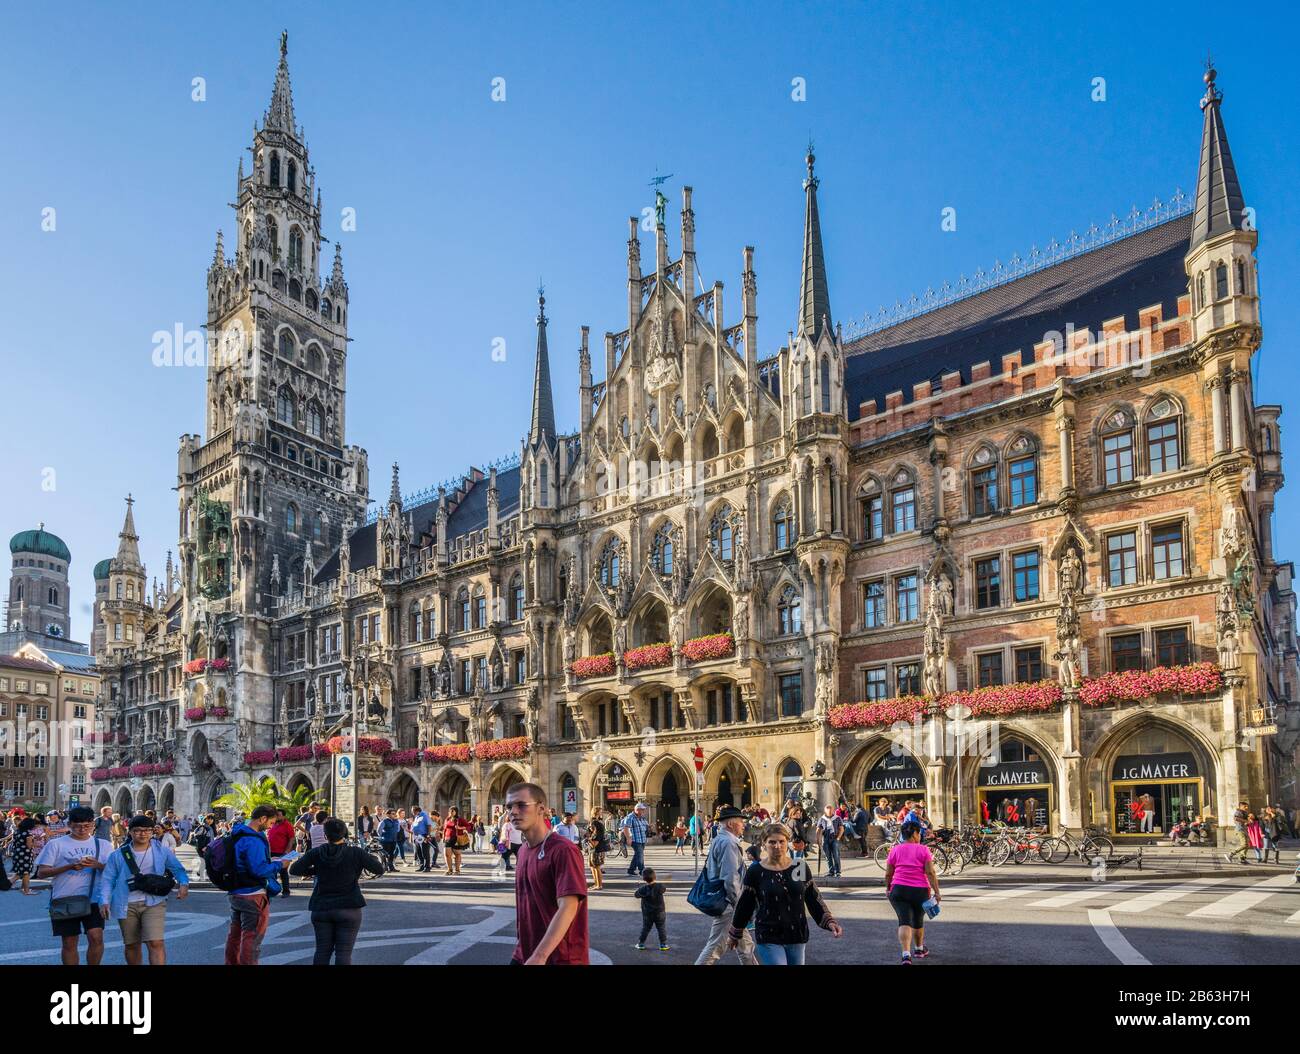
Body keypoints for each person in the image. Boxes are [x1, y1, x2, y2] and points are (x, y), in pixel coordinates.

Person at [727, 822, 842, 965]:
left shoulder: (798, 866)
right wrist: (735, 933)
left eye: (782, 841)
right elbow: (745, 904)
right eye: (772, 842)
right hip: (768, 934)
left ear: (788, 842)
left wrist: (829, 922)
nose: (777, 846)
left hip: (796, 933)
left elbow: (812, 897)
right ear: (764, 844)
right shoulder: (756, 871)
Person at [507, 782, 589, 965]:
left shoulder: (563, 850)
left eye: (521, 805)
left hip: (559, 957)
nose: (513, 811)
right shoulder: (522, 851)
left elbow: (568, 906)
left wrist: (540, 956)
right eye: (509, 806)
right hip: (524, 953)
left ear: (541, 809)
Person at [289, 818, 386, 965]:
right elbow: (378, 869)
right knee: (343, 953)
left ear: (325, 836)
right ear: (344, 834)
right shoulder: (356, 853)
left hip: (321, 907)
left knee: (322, 951)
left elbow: (294, 869)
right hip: (349, 906)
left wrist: (316, 870)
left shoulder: (317, 852)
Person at [97, 814, 190, 965]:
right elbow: (107, 880)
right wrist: (104, 901)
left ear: (152, 831)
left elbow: (177, 869)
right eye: (138, 830)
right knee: (132, 944)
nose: (143, 834)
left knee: (155, 942)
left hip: (154, 902)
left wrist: (184, 884)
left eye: (147, 830)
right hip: (126, 903)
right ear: (130, 832)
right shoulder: (118, 855)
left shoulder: (161, 851)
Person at [34, 806, 114, 965]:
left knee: (96, 937)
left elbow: (112, 873)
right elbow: (42, 873)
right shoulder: (56, 844)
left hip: (93, 899)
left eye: (86, 826)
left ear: (93, 824)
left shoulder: (103, 845)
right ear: (69, 824)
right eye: (77, 826)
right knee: (69, 942)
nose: (82, 829)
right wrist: (70, 867)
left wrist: (97, 865)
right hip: (65, 899)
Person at [223, 804, 285, 966]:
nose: (271, 827)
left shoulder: (236, 833)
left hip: (236, 892)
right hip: (253, 894)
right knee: (252, 938)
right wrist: (280, 865)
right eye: (271, 823)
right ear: (262, 819)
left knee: (234, 936)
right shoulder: (253, 840)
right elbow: (258, 869)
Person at [695, 806, 756, 965]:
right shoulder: (728, 842)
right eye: (741, 821)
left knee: (746, 946)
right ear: (731, 824)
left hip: (727, 901)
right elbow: (730, 877)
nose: (743, 825)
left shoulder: (720, 839)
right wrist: (739, 904)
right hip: (729, 904)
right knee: (716, 946)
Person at [884, 820, 940, 964]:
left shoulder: (895, 850)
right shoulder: (923, 850)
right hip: (920, 891)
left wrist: (888, 888)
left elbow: (888, 874)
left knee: (904, 921)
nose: (920, 836)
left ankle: (906, 955)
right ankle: (919, 949)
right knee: (918, 920)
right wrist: (937, 892)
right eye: (919, 833)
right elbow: (930, 873)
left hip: (899, 890)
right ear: (914, 834)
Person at [634, 867, 669, 951]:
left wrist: (638, 889)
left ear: (644, 879)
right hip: (660, 912)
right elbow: (664, 889)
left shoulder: (643, 889)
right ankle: (663, 944)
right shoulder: (660, 886)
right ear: (655, 877)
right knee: (661, 928)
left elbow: (636, 895)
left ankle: (641, 944)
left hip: (647, 913)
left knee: (646, 928)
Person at [12, 815, 44, 895]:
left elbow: (17, 842)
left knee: (21, 872)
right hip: (25, 854)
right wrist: (35, 842)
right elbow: (29, 845)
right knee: (25, 873)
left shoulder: (17, 831)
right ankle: (26, 890)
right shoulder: (28, 833)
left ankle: (23, 889)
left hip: (17, 853)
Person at [267, 808, 296, 898]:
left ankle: (286, 891)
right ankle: (273, 890)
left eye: (279, 815)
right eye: (276, 815)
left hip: (282, 853)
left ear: (283, 816)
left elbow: (291, 839)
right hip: (271, 852)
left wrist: (287, 852)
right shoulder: (273, 824)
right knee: (272, 872)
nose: (277, 817)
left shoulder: (287, 825)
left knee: (283, 873)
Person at [621, 802, 650, 876]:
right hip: (635, 840)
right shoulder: (630, 817)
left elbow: (646, 826)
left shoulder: (642, 817)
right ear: (637, 810)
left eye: (644, 810)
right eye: (642, 810)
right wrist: (628, 838)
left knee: (637, 855)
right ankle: (642, 871)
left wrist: (649, 827)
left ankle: (631, 869)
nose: (643, 811)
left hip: (642, 839)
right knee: (640, 855)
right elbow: (626, 828)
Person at [816, 805, 842, 878]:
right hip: (826, 838)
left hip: (834, 838)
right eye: (828, 811)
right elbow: (818, 830)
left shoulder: (837, 818)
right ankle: (831, 872)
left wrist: (838, 838)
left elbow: (841, 828)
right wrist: (818, 840)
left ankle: (837, 872)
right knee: (828, 857)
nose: (829, 812)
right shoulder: (822, 819)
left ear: (833, 810)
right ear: (825, 811)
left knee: (836, 856)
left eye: (831, 810)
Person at [443, 807, 469, 875]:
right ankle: (449, 869)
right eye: (450, 811)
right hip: (447, 838)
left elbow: (468, 826)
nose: (451, 812)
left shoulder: (459, 819)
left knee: (457, 854)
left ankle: (457, 870)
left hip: (456, 839)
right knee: (447, 854)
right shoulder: (447, 819)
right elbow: (445, 828)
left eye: (452, 811)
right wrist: (443, 837)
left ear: (456, 812)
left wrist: (460, 828)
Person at [586, 807, 606, 890]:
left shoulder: (596, 823)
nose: (602, 813)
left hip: (597, 848)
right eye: (600, 812)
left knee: (596, 867)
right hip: (594, 848)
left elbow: (595, 839)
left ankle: (599, 885)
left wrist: (589, 838)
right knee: (592, 866)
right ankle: (596, 884)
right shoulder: (596, 822)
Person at [411, 805, 432, 872]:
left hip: (423, 836)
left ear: (417, 811)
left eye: (413, 811)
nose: (412, 813)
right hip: (417, 837)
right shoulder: (416, 817)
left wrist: (428, 835)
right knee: (419, 852)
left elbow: (429, 825)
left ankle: (427, 867)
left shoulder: (424, 815)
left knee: (425, 852)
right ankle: (422, 866)